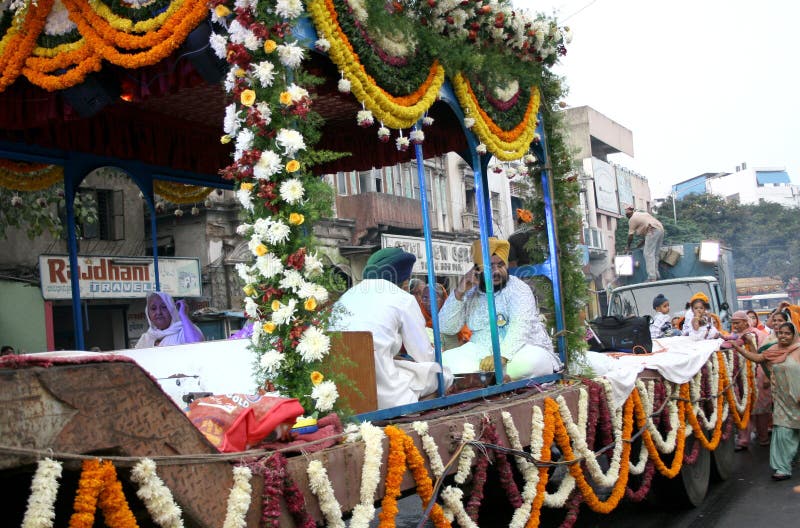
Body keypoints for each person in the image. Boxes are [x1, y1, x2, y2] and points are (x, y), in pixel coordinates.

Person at [330, 247, 453, 409]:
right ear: (404, 280)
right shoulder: (403, 299)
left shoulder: (345, 297)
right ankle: (419, 405)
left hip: (344, 391)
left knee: (404, 367)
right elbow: (424, 356)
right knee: (443, 375)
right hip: (386, 395)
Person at [439, 237, 560, 380]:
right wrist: (459, 292)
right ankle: (493, 378)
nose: (496, 271)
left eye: (501, 265)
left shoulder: (519, 288)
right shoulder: (470, 293)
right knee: (445, 361)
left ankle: (490, 378)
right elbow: (446, 327)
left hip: (520, 350)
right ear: (477, 269)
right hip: (481, 351)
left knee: (531, 362)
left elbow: (521, 326)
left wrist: (501, 355)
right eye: (490, 266)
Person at [732, 322, 800, 480]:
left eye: (787, 333)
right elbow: (758, 358)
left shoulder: (798, 349)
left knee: (796, 430)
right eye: (780, 333)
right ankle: (782, 468)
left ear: (793, 335)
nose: (783, 336)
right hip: (782, 399)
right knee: (783, 431)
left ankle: (794, 457)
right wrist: (739, 348)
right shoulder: (773, 350)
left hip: (798, 399)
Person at [726, 310, 771, 451]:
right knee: (743, 408)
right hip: (740, 378)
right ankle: (743, 440)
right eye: (732, 323)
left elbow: (765, 357)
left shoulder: (759, 334)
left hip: (759, 376)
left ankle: (763, 437)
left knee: (761, 410)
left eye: (737, 323)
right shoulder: (733, 337)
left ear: (746, 322)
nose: (735, 326)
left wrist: (766, 377)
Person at [135, 292, 205, 348]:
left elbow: (197, 345)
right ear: (148, 314)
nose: (158, 312)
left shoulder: (184, 331)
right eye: (153, 308)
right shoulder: (145, 339)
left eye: (164, 307)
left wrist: (183, 315)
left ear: (171, 310)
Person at [624, 206, 664, 281]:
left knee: (648, 253)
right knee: (655, 253)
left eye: (627, 215)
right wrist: (642, 243)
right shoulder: (642, 214)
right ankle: (656, 274)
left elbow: (630, 236)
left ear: (629, 215)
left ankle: (651, 277)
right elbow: (647, 229)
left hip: (652, 229)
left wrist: (628, 247)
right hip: (660, 229)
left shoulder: (632, 219)